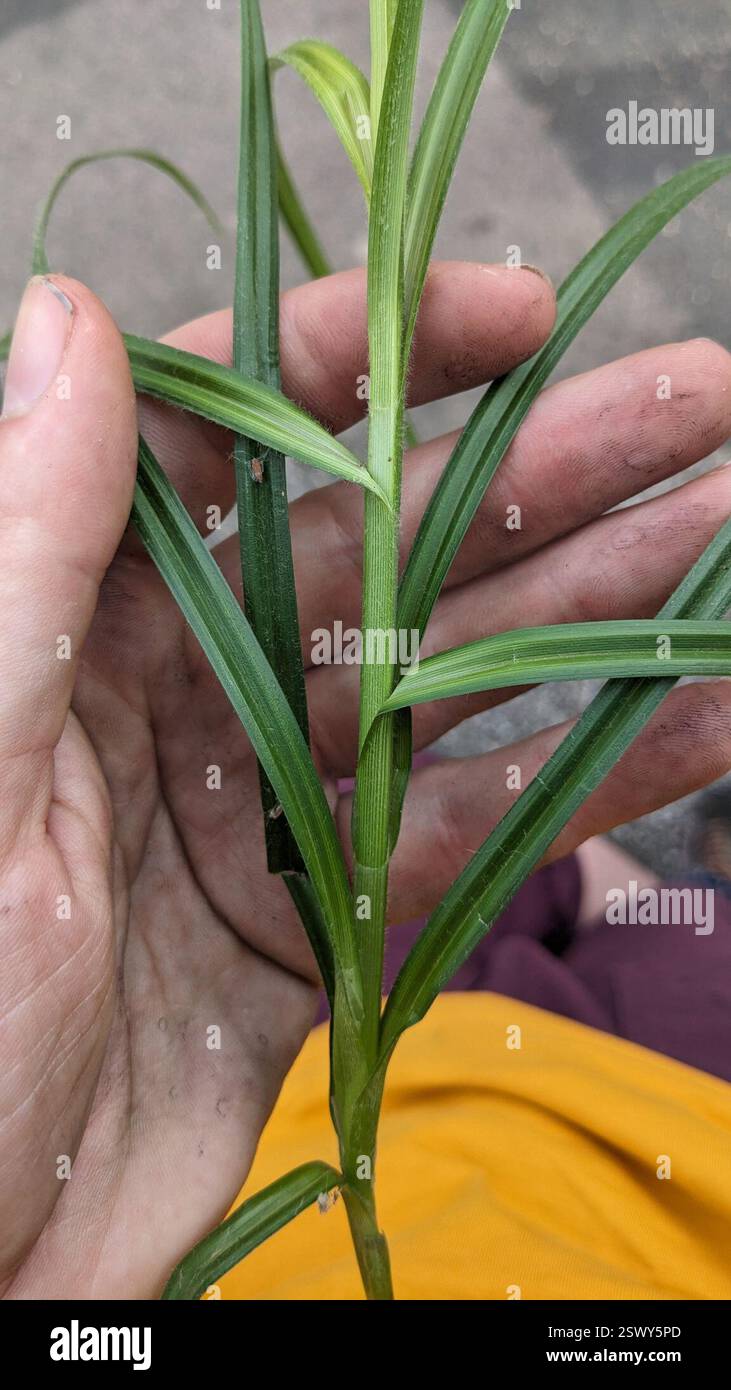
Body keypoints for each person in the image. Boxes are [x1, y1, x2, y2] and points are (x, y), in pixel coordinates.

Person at [1, 265, 731, 1301]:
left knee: (394, 818)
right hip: (650, 1158)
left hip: (312, 1072)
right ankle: (650, 884)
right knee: (676, 947)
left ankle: (592, 881)